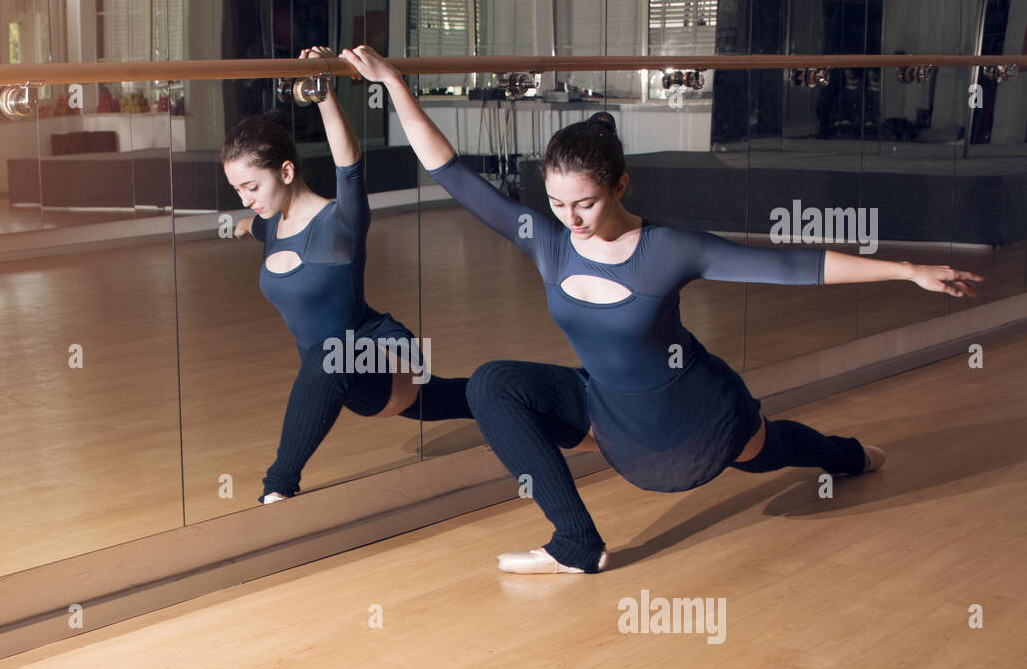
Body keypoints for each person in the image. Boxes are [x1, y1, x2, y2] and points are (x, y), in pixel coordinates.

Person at [342, 44, 985, 573]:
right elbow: (451, 172)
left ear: (619, 185)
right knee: (492, 385)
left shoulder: (668, 249)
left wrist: (907, 269)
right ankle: (577, 544)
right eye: (558, 203)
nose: (571, 220)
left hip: (692, 413)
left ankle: (846, 455)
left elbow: (793, 267)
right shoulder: (547, 242)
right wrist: (395, 84)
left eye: (585, 204)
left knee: (771, 450)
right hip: (608, 406)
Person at [223, 47, 474, 504]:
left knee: (326, 357)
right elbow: (254, 225)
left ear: (286, 169)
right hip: (347, 377)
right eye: (237, 190)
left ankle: (278, 488)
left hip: (385, 353)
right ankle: (554, 393)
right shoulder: (270, 224)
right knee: (463, 399)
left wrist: (323, 92)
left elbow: (349, 163)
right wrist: (244, 227)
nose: (246, 199)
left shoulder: (340, 223)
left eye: (251, 187)